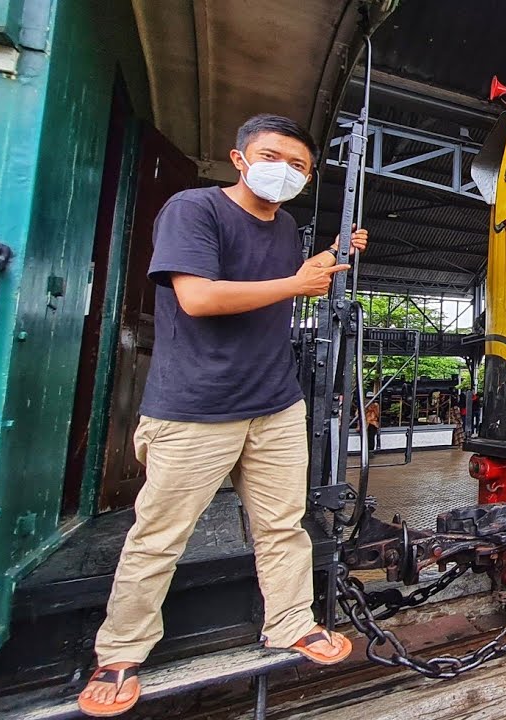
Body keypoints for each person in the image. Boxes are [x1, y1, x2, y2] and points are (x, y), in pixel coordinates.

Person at [77, 114, 369, 717]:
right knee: (158, 537)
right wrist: (297, 282)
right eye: (272, 157)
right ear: (239, 159)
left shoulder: (286, 225)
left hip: (275, 404)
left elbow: (274, 281)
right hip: (194, 408)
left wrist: (324, 261)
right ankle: (121, 652)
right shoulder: (194, 209)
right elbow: (200, 297)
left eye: (298, 166)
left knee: (283, 525)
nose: (283, 172)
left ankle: (290, 621)